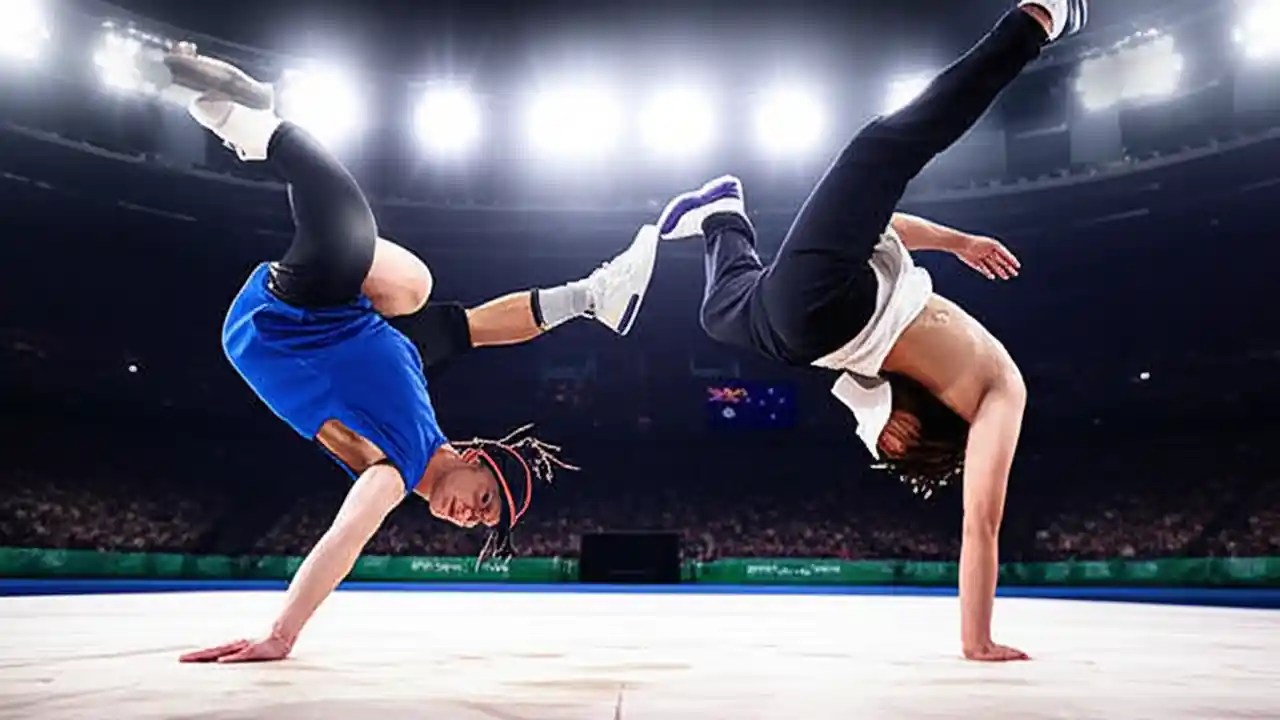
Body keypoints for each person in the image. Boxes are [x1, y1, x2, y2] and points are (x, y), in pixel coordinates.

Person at [140, 44, 659, 663]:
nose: (469, 517)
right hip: (346, 315)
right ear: (472, 456)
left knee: (352, 240)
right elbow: (482, 326)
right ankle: (593, 295)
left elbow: (345, 538)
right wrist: (584, 298)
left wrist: (282, 634)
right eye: (484, 500)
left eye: (477, 525)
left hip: (284, 325)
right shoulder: (418, 409)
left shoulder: (391, 472)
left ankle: (256, 125)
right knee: (422, 292)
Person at [656, 0, 1088, 662]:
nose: (883, 441)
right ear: (921, 432)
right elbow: (886, 226)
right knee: (877, 158)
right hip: (819, 317)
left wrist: (977, 640)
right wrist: (960, 240)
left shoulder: (979, 388)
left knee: (877, 156)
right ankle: (723, 216)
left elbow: (981, 523)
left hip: (826, 319)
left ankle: (1038, 19)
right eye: (894, 443)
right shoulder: (994, 393)